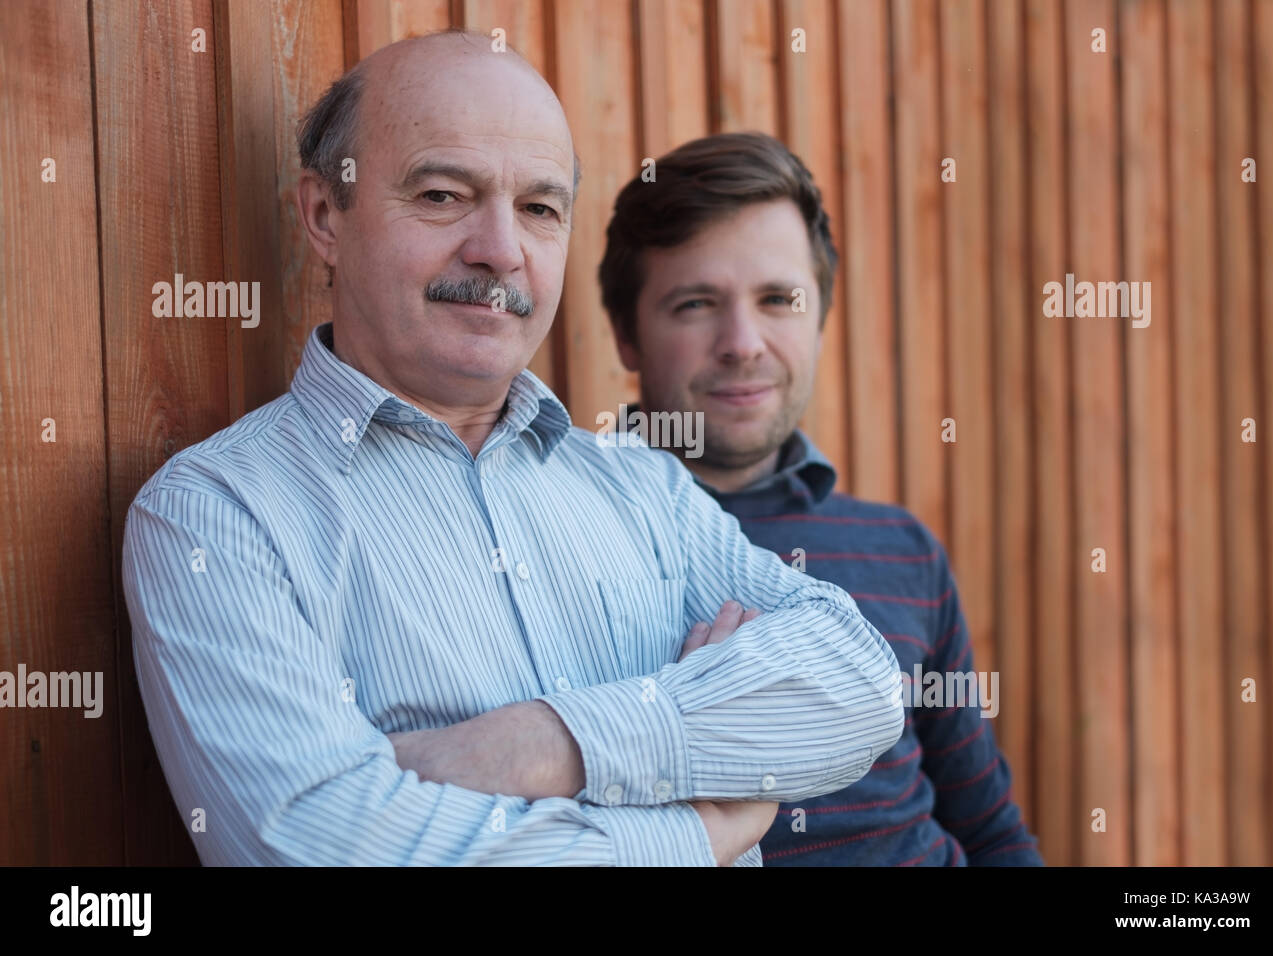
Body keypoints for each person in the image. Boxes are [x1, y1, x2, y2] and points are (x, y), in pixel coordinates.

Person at [121, 32, 903, 866]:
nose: (501, 250)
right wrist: (696, 828)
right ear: (325, 215)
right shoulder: (215, 516)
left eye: (539, 208)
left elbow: (860, 682)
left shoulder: (644, 488)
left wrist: (548, 743)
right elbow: (321, 845)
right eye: (444, 194)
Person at [598, 131, 1043, 865]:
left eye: (778, 299)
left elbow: (990, 829)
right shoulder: (564, 541)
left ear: (819, 317)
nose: (742, 342)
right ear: (625, 334)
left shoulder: (903, 549)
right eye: (696, 303)